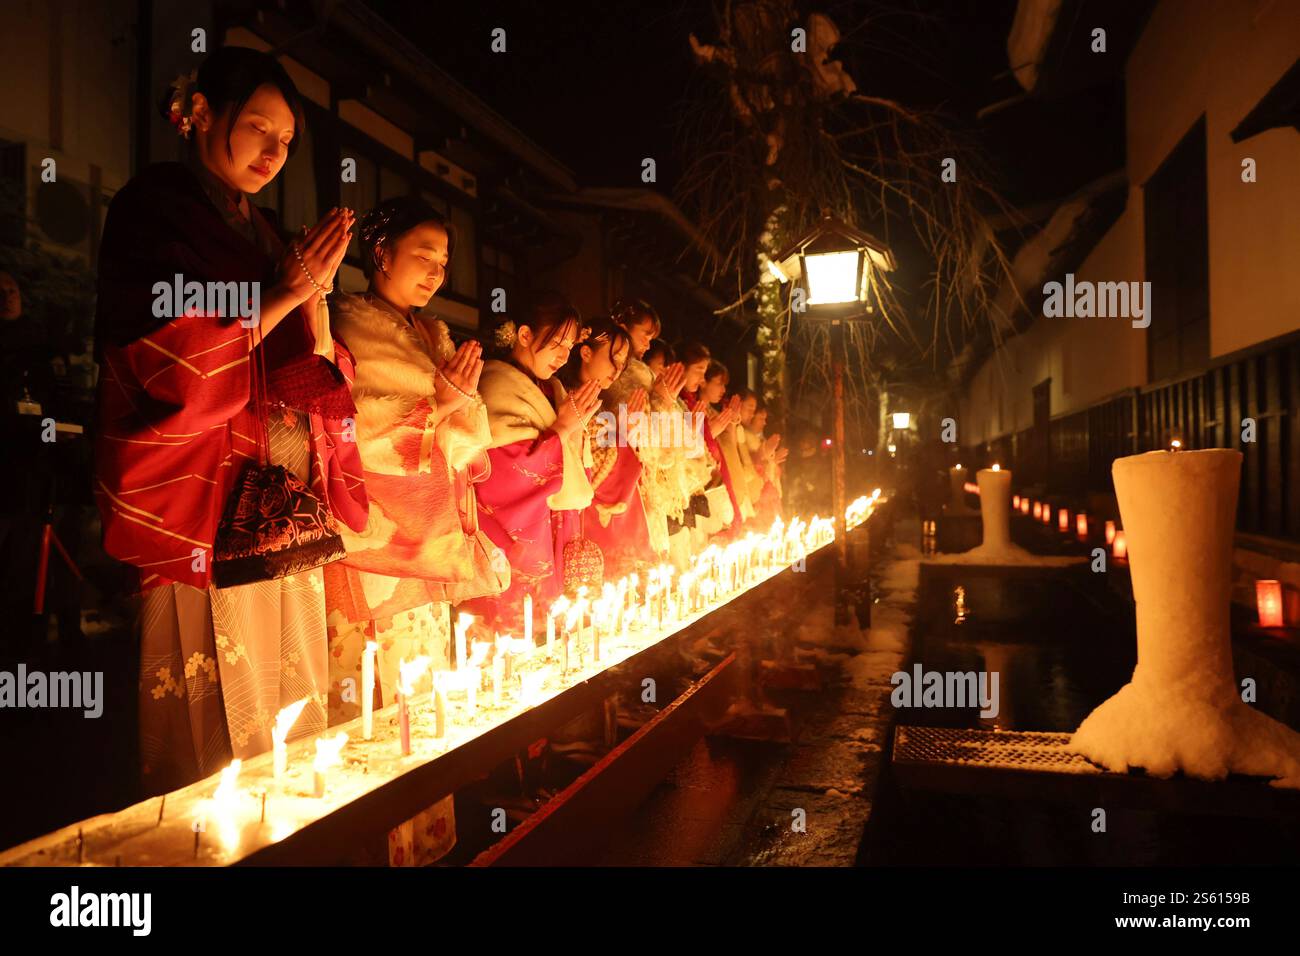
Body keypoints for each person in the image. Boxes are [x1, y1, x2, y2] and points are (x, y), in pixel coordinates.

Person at [93, 47, 367, 794]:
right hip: (203, 496)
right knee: (216, 696)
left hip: (279, 497)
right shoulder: (155, 209)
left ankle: (298, 829)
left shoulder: (267, 231)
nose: (274, 153)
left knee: (291, 685)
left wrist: (315, 301)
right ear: (202, 114)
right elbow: (169, 353)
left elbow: (308, 372)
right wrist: (284, 293)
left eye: (286, 142)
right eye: (258, 128)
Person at [323, 196, 506, 864]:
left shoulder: (434, 337)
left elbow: (471, 444)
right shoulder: (344, 322)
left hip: (430, 550)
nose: (435, 271)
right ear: (381, 252)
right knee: (370, 695)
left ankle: (425, 845)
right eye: (422, 255)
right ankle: (368, 848)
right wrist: (442, 409)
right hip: (373, 545)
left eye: (444, 261)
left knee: (423, 696)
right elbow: (356, 435)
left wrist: (451, 408)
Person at [463, 293, 601, 636]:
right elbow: (506, 475)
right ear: (525, 335)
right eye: (556, 342)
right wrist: (564, 428)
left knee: (550, 631)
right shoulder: (497, 385)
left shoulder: (550, 387)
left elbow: (571, 460)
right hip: (514, 536)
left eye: (568, 346)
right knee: (510, 635)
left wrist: (570, 430)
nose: (562, 355)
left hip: (552, 528)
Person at [560, 314, 650, 581]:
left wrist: (624, 436)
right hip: (578, 521)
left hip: (609, 523)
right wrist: (620, 435)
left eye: (623, 362)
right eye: (614, 358)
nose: (619, 368)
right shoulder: (563, 398)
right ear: (586, 352)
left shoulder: (602, 407)